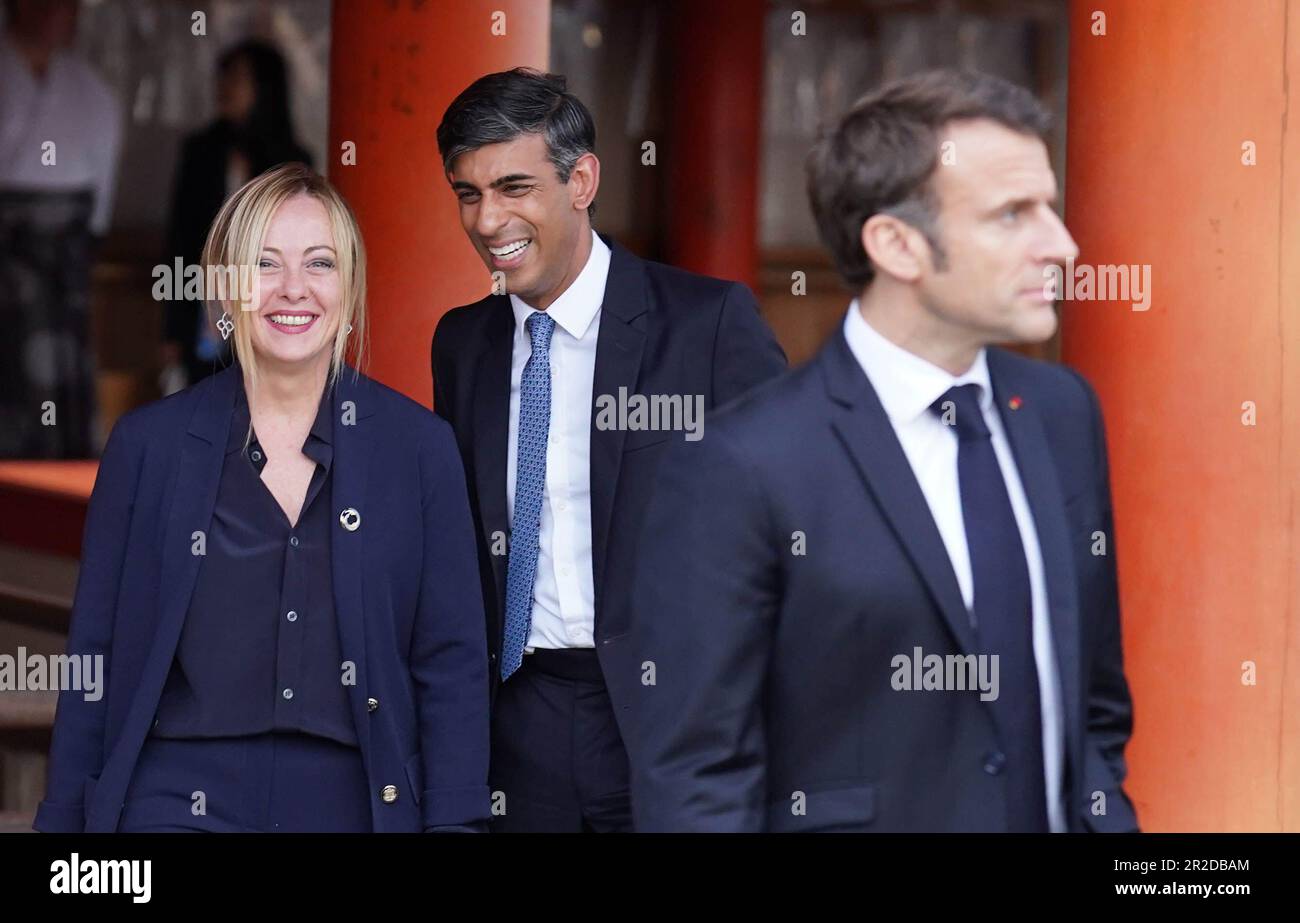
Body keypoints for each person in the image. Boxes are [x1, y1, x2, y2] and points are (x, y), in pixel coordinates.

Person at [630, 69, 1140, 833]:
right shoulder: (740, 463)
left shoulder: (1063, 415)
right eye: (1013, 215)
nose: (1062, 246)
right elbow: (698, 777)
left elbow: (1094, 707)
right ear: (897, 244)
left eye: (1051, 208)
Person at [35, 163, 490, 833]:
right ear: (225, 285)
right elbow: (94, 657)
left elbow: (449, 664)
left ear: (351, 284)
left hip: (354, 800)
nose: (293, 289)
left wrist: (454, 824)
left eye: (319, 263)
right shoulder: (148, 447)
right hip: (175, 799)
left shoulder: (419, 449)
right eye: (265, 264)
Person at [430, 68, 787, 832]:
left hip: (675, 723)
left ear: (581, 179)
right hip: (516, 723)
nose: (490, 220)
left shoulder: (707, 325)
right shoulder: (463, 344)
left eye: (514, 186)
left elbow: (796, 529)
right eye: (469, 193)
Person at [0, 0, 122, 457]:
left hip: (66, 257)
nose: (57, 12)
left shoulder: (92, 91)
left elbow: (99, 206)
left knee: (61, 372)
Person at [161, 39, 313, 391]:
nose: (225, 86)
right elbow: (179, 242)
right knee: (204, 397)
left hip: (267, 297)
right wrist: (172, 332)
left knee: (263, 390)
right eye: (223, 76)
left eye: (238, 77)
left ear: (265, 88)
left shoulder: (291, 160)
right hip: (206, 302)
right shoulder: (201, 151)